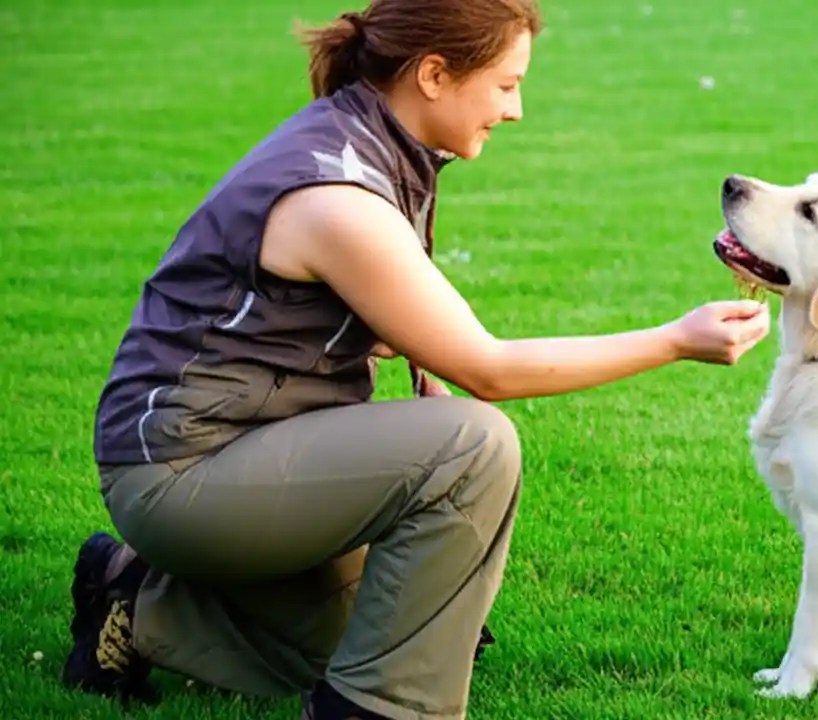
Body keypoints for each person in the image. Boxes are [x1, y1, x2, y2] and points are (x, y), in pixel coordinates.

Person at [60, 0, 771, 718]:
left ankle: (137, 600)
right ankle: (380, 709)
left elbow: (330, 319)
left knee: (381, 630)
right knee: (472, 443)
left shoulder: (367, 143)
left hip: (238, 449)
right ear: (434, 74)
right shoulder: (340, 195)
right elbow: (487, 371)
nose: (516, 109)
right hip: (182, 474)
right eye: (505, 83)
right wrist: (676, 341)